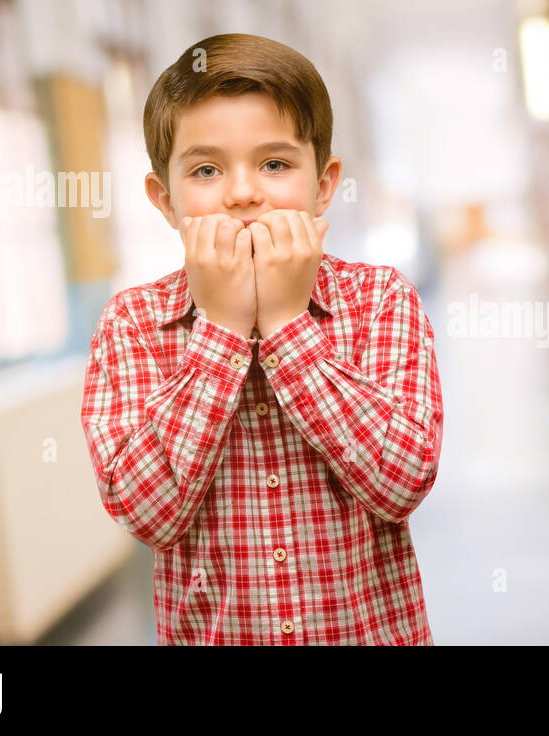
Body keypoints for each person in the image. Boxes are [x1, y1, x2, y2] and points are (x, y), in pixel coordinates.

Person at [79, 33, 443, 645]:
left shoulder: (381, 300)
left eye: (274, 164)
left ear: (323, 184)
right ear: (164, 201)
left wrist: (285, 326)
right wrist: (220, 330)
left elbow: (402, 478)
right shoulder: (132, 324)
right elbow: (146, 513)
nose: (243, 191)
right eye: (206, 169)